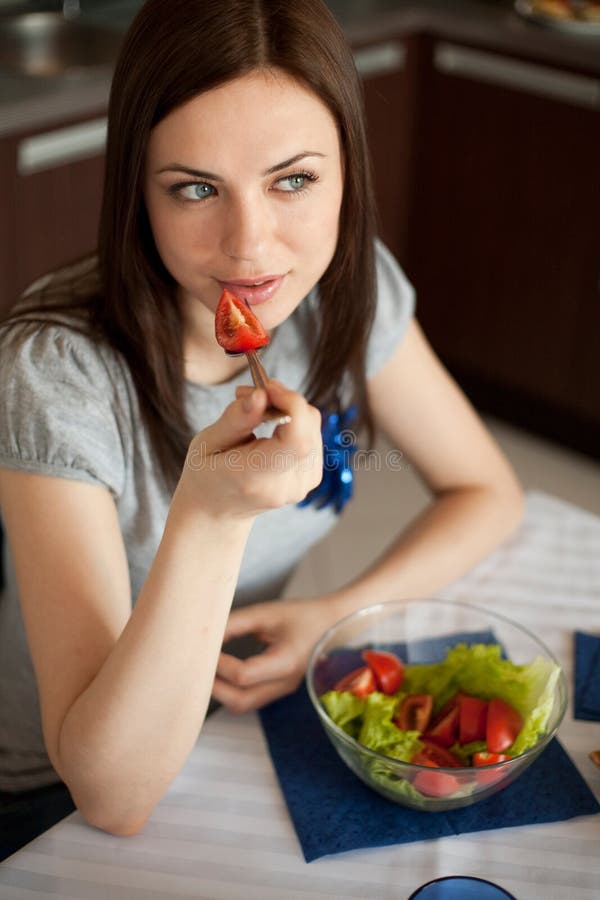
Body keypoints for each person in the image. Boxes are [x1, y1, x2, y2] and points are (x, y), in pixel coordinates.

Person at [0, 0, 523, 856]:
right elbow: (111, 793)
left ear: (348, 172)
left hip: (246, 727)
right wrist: (211, 513)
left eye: (293, 179)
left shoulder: (345, 294)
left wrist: (333, 617)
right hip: (53, 797)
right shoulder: (54, 373)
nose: (250, 246)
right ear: (138, 191)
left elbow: (487, 492)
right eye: (196, 188)